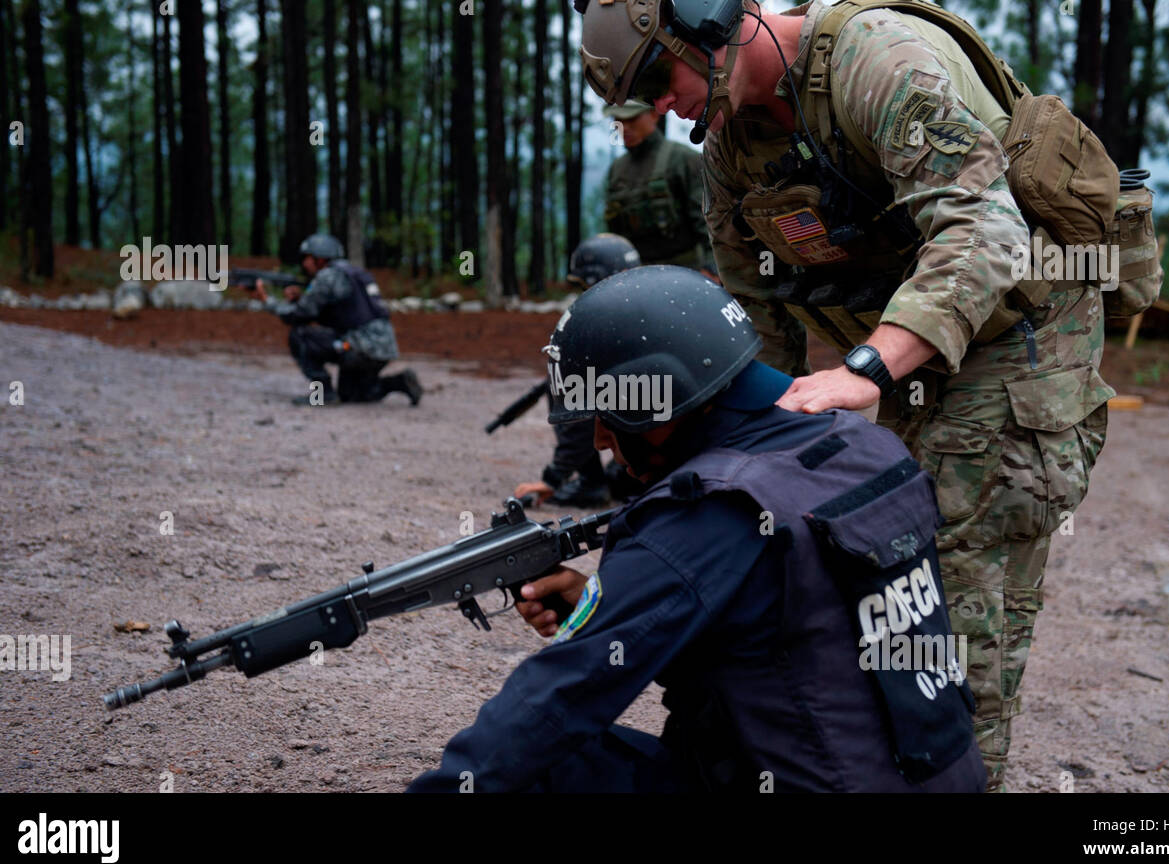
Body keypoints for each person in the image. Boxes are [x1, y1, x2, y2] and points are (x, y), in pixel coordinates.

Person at [577, 0, 1116, 790]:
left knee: (948, 615)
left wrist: (863, 370)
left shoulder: (879, 61)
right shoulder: (731, 149)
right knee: (850, 579)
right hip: (912, 353)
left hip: (1017, 340)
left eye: (657, 75)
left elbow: (983, 231)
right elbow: (748, 332)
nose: (657, 105)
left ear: (709, 21)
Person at [409, 266, 986, 793]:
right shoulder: (864, 447)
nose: (602, 440)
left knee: (545, 765)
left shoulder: (706, 509)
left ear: (659, 394)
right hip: (936, 777)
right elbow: (796, 636)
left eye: (606, 419)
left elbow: (557, 697)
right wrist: (607, 604)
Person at [513, 233, 643, 509]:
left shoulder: (601, 326)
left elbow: (576, 411)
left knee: (563, 383)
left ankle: (592, 483)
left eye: (585, 284)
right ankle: (637, 470)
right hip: (687, 448)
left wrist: (554, 477)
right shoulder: (648, 310)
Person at [258, 233, 423, 407]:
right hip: (382, 349)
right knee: (352, 394)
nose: (304, 264)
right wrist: (300, 298)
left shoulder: (328, 275)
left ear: (319, 259)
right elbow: (341, 312)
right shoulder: (354, 273)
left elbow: (299, 315)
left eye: (306, 258)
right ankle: (400, 382)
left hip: (356, 348)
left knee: (300, 335)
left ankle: (322, 394)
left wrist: (266, 301)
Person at [603, 100, 717, 276]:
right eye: (618, 120)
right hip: (636, 276)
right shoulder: (617, 170)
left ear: (654, 115)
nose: (624, 127)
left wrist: (712, 267)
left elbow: (709, 222)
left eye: (632, 119)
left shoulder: (683, 159)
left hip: (686, 272)